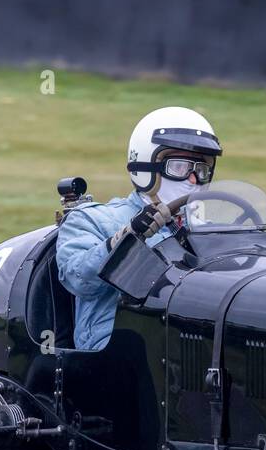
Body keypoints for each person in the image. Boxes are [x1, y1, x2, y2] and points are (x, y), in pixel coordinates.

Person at [56, 106, 222, 349]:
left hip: (193, 346)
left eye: (201, 169)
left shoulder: (209, 229)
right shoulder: (93, 219)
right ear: (145, 167)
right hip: (119, 354)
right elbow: (78, 279)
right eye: (179, 167)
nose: (193, 179)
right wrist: (128, 236)